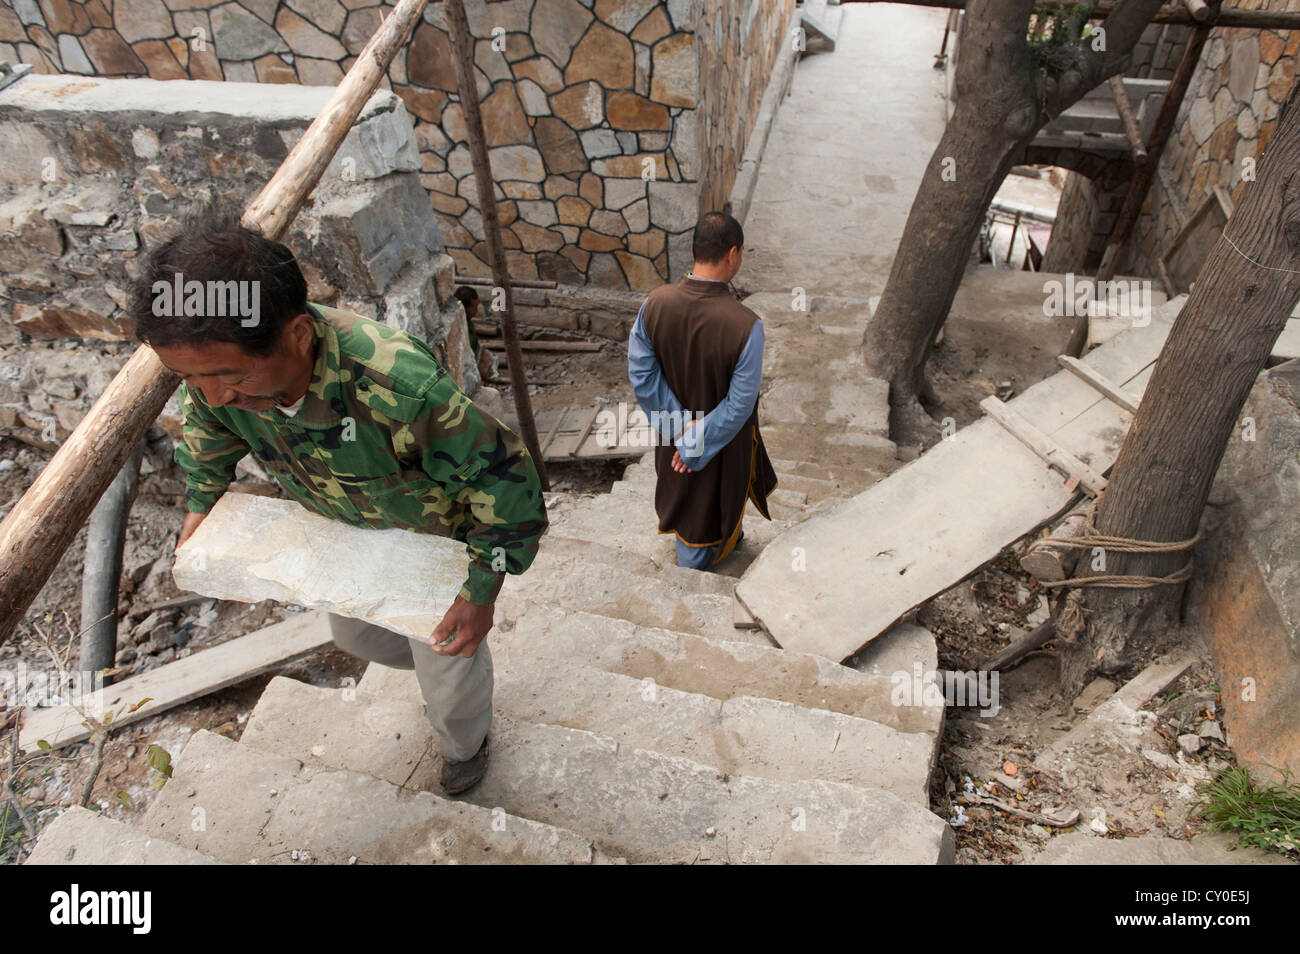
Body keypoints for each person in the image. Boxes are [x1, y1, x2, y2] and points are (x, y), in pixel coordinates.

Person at [133, 210, 548, 796]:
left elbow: (507, 482)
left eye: (229, 378)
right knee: (357, 639)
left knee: (447, 671)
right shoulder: (216, 376)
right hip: (346, 535)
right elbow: (209, 429)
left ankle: (466, 743)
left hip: (432, 550)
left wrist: (480, 589)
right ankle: (455, 669)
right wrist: (202, 500)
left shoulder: (398, 386)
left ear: (298, 336)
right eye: (189, 379)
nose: (214, 395)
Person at [627, 211, 777, 570]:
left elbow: (642, 375)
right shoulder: (746, 326)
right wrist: (696, 441)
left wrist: (680, 429)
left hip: (672, 437)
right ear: (733, 254)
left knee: (687, 502)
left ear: (693, 249)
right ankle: (693, 572)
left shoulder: (654, 304)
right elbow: (740, 403)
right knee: (706, 514)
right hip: (720, 445)